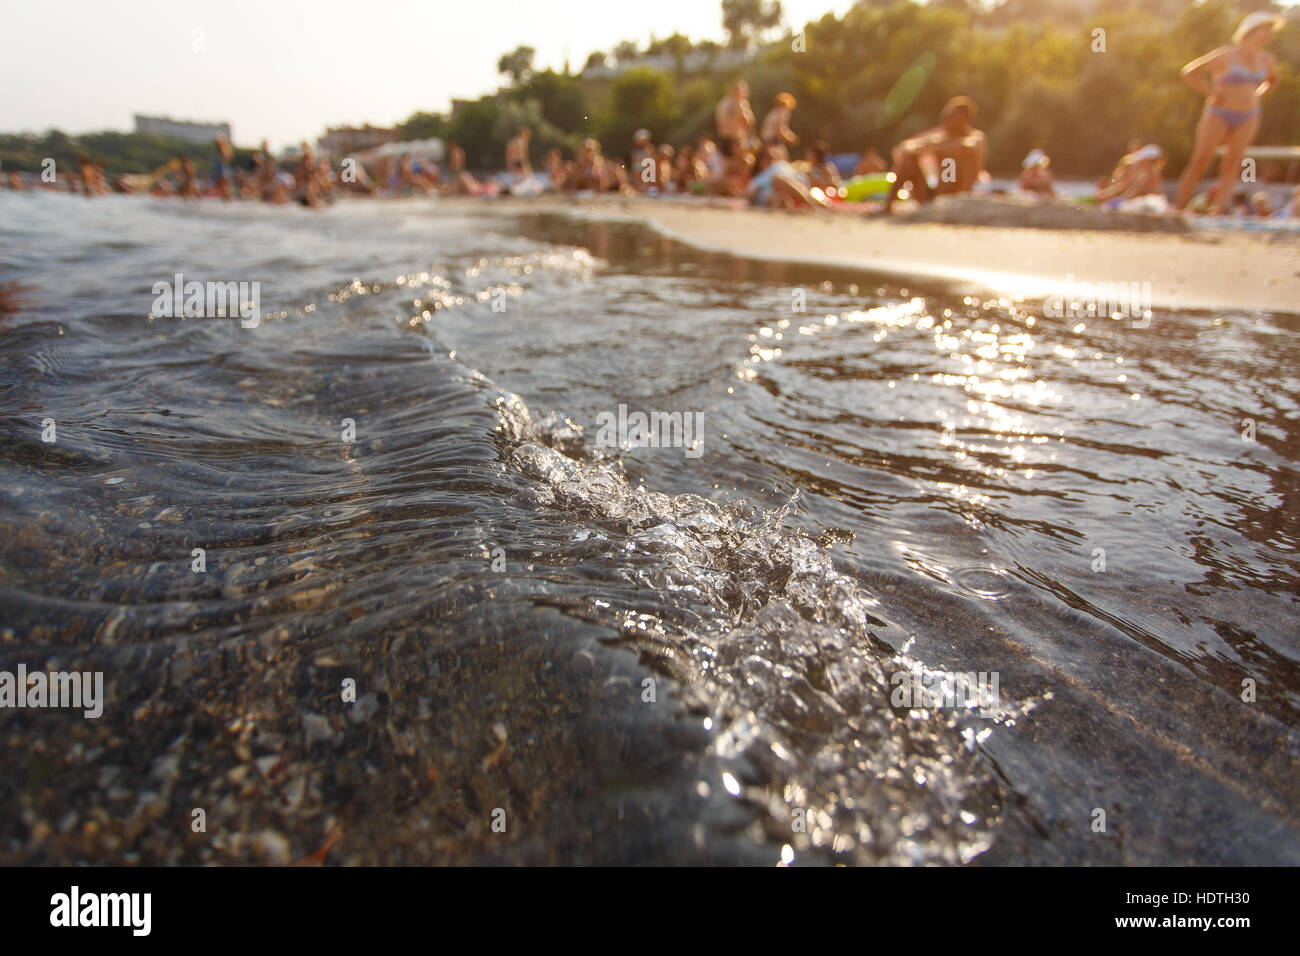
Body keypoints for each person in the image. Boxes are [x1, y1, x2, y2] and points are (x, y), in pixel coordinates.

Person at [1174, 11, 1284, 214]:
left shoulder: (1265, 60)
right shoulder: (1226, 55)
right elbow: (1189, 72)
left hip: (1249, 115)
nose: (1268, 36)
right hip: (1219, 112)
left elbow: (1274, 81)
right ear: (1251, 32)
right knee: (1201, 159)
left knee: (1232, 163)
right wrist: (1210, 92)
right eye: (1265, 30)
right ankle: (1179, 208)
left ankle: (1219, 210)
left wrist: (1258, 95)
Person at [884, 96, 986, 212]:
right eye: (946, 116)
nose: (945, 120)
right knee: (909, 160)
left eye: (950, 116)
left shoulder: (975, 137)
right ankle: (887, 206)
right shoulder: (940, 138)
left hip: (958, 191)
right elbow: (905, 147)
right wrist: (926, 147)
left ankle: (954, 199)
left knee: (951, 157)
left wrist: (935, 147)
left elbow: (969, 146)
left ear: (964, 119)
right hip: (936, 192)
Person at [1098, 144, 1165, 208]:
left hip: (1149, 203)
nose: (1140, 162)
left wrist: (1118, 200)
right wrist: (1108, 195)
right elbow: (1127, 187)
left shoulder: (1148, 174)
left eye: (1142, 160)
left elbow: (1134, 192)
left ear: (1148, 160)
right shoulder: (1150, 173)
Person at [716, 81, 756, 146]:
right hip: (736, 139)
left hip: (723, 138)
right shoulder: (739, 102)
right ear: (739, 91)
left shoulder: (722, 103)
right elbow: (747, 121)